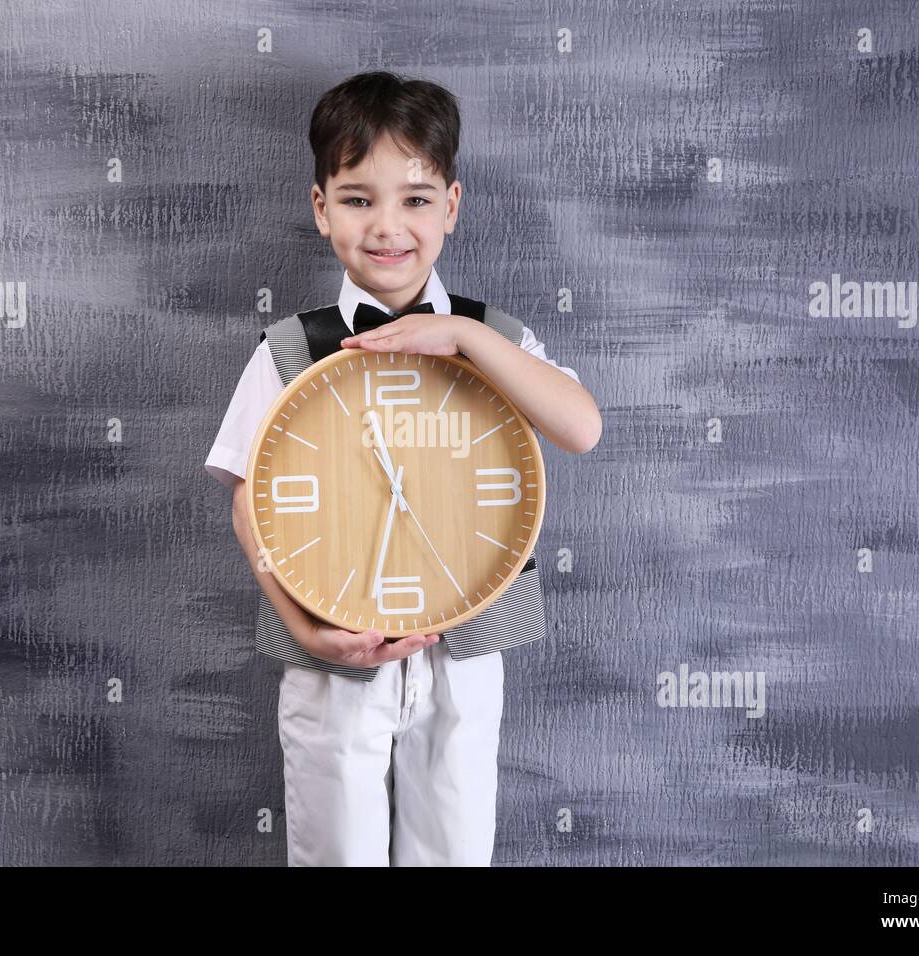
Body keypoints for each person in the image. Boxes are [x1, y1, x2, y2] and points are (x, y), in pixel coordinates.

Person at [204, 70, 602, 866]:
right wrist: (299, 621)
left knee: (452, 848)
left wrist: (463, 340)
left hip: (467, 646)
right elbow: (252, 496)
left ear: (451, 206)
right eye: (357, 198)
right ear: (322, 208)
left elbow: (581, 428)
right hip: (333, 646)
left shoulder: (492, 338)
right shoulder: (290, 349)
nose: (388, 225)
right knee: (335, 849)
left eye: (415, 199)